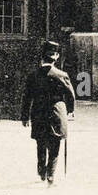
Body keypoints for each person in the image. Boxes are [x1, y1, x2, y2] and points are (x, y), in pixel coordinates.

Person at [21, 40, 76, 185]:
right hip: (57, 113)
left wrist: (24, 117)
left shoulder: (33, 75)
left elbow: (27, 97)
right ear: (56, 57)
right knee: (55, 145)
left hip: (38, 113)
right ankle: (51, 175)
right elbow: (70, 95)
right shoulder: (62, 75)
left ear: (42, 57)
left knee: (41, 143)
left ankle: (41, 171)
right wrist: (70, 111)